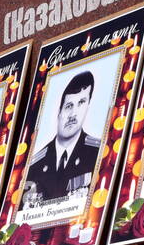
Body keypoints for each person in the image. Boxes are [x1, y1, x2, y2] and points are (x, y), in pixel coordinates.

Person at [26, 70, 103, 200]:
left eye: (81, 103)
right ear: (59, 112)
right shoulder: (34, 165)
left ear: (88, 106)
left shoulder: (99, 152)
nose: (73, 114)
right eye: (68, 106)